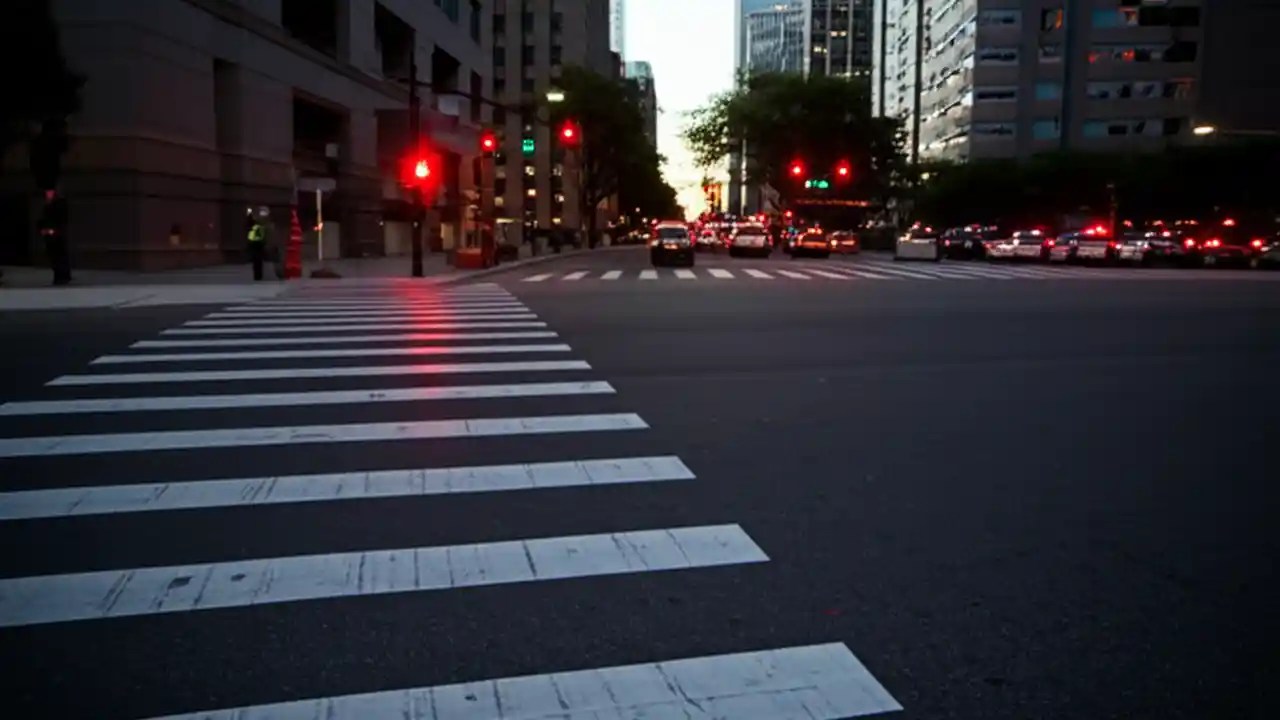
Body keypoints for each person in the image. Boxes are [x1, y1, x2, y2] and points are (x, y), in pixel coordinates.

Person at [247, 207, 270, 281]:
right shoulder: (260, 226)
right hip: (259, 244)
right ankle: (258, 276)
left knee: (256, 261)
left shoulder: (255, 226)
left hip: (255, 243)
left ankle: (257, 276)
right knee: (258, 261)